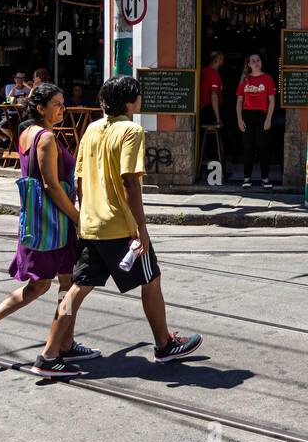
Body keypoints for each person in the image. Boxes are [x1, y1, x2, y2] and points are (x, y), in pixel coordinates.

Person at [33, 76, 203, 376]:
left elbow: (81, 181)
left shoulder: (91, 129)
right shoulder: (131, 131)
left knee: (75, 289)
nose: (140, 102)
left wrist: (87, 215)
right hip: (121, 228)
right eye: (138, 97)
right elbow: (129, 181)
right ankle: (164, 345)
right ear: (129, 102)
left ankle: (49, 353)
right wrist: (141, 227)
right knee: (151, 281)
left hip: (90, 224)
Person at [0, 83, 100, 371]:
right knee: (51, 284)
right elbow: (51, 185)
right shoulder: (46, 137)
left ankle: (65, 343)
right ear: (41, 108)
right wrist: (78, 218)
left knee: (59, 283)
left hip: (38, 222)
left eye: (63, 103)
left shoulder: (25, 133)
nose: (63, 108)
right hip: (55, 224)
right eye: (57, 104)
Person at [236, 52, 276, 189]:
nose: (256, 62)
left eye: (258, 60)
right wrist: (239, 119)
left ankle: (265, 178)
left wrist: (269, 118)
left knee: (263, 148)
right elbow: (239, 101)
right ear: (249, 65)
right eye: (253, 61)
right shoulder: (244, 80)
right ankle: (247, 178)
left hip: (262, 116)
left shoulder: (268, 79)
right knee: (248, 148)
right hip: (247, 115)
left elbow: (271, 100)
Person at [0, 72, 30, 143]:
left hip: (18, 114)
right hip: (7, 113)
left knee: (2, 125)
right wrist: (14, 89)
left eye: (23, 78)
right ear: (15, 79)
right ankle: (6, 139)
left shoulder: (28, 89)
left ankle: (14, 141)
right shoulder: (9, 87)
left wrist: (28, 87)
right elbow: (9, 101)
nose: (20, 80)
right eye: (19, 78)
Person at [201, 51, 225, 126]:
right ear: (218, 60)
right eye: (222, 59)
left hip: (203, 107)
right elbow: (213, 95)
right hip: (210, 109)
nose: (223, 61)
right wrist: (217, 118)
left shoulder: (205, 70)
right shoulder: (213, 73)